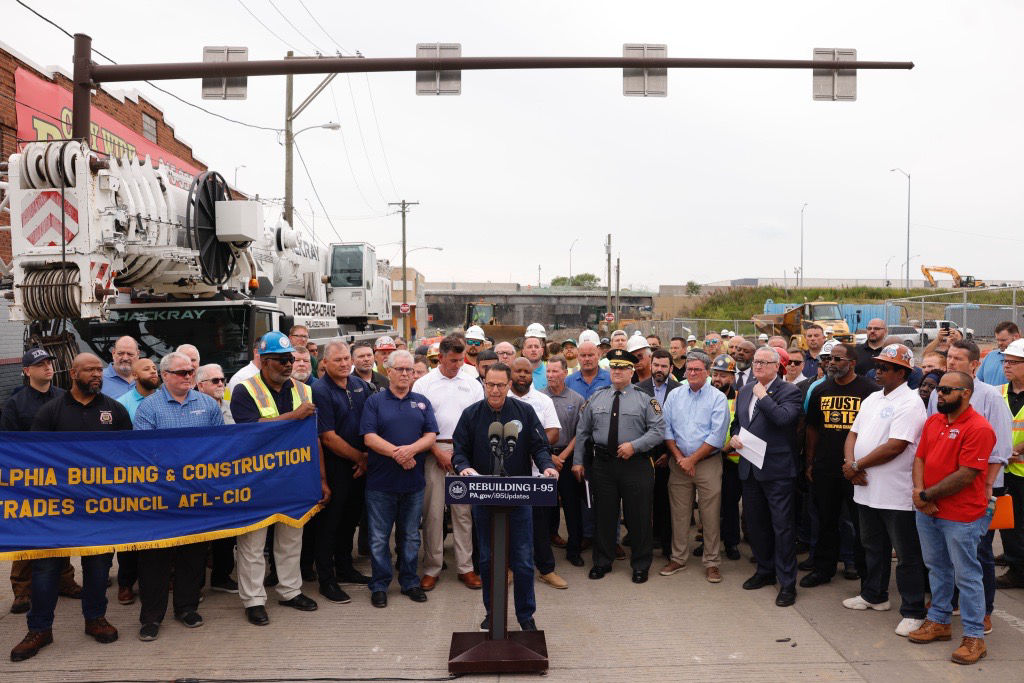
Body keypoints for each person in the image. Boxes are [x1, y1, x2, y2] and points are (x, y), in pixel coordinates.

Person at [9, 353, 132, 662]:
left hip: (100, 508)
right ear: (74, 373)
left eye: (98, 371)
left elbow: (131, 456)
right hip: (56, 509)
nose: (96, 375)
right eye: (89, 370)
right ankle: (40, 629)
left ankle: (95, 619)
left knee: (98, 568)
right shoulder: (52, 411)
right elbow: (32, 459)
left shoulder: (114, 411)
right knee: (46, 570)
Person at [230, 331, 327, 627]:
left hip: (293, 477)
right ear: (264, 360)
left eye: (290, 359)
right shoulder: (244, 390)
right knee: (253, 543)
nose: (288, 365)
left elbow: (314, 437)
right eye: (281, 360)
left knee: (290, 539)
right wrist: (292, 417)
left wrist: (321, 478)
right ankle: (254, 599)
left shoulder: (303, 390)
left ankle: (289, 590)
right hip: (256, 478)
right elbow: (249, 432)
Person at [453, 363, 557, 631]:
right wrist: (464, 467)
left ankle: (525, 617)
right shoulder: (471, 415)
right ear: (484, 384)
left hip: (519, 497)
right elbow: (459, 451)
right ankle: (493, 613)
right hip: (483, 498)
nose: (495, 390)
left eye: (501, 384)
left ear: (509, 385)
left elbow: (539, 446)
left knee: (522, 560)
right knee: (487, 560)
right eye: (490, 384)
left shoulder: (525, 411)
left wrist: (546, 466)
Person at [132, 352, 224, 642]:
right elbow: (146, 454)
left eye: (191, 372)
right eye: (181, 372)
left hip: (197, 496)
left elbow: (219, 447)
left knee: (193, 556)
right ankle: (151, 617)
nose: (188, 376)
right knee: (154, 561)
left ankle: (186, 607)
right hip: (161, 498)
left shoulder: (209, 405)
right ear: (165, 375)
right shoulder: (148, 408)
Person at [909, 371, 996, 665]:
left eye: (946, 390)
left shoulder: (979, 428)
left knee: (967, 576)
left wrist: (926, 496)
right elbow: (919, 457)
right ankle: (940, 621)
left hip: (962, 515)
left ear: (966, 393)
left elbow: (966, 474)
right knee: (937, 568)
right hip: (928, 509)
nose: (940, 394)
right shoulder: (934, 420)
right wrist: (920, 493)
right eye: (938, 390)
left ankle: (974, 637)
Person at [842, 343, 928, 635]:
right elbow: (853, 433)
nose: (877, 371)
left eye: (885, 367)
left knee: (906, 554)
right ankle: (874, 595)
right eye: (877, 366)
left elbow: (896, 445)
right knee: (872, 546)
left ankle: (914, 610)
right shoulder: (872, 399)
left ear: (902, 372)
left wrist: (856, 466)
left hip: (895, 493)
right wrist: (850, 463)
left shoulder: (911, 402)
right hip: (866, 488)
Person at [926, 340, 1012, 624]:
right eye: (949, 357)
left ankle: (984, 611)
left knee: (979, 552)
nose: (951, 362)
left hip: (981, 486)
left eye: (959, 358)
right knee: (944, 555)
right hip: (942, 487)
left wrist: (986, 487)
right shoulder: (938, 396)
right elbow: (931, 438)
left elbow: (1000, 449)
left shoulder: (989, 397)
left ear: (974, 364)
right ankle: (948, 605)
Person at [573, 349, 665, 583]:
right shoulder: (597, 397)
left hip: (635, 463)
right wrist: (578, 462)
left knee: (639, 516)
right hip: (603, 464)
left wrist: (635, 446)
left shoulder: (646, 400)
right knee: (604, 515)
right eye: (613, 367)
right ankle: (602, 562)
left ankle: (641, 565)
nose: (617, 371)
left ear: (631, 371)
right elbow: (583, 432)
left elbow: (658, 431)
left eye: (623, 367)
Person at [2, 349, 79, 617]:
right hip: (28, 480)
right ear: (27, 371)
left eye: (49, 363)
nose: (47, 367)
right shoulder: (16, 404)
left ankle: (65, 580)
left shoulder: (64, 398)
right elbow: (8, 444)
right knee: (26, 534)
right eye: (40, 364)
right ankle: (23, 590)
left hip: (60, 479)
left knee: (61, 530)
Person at [360, 350, 438, 608]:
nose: (406, 374)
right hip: (381, 484)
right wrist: (398, 454)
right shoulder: (375, 402)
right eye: (400, 369)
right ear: (388, 371)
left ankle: (409, 582)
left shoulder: (423, 401)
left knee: (410, 536)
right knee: (379, 537)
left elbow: (430, 436)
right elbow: (369, 438)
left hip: (413, 483)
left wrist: (411, 450)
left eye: (410, 370)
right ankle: (380, 584)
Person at [729, 346, 803, 607]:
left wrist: (764, 397)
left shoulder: (790, 391)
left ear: (776, 367)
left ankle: (787, 583)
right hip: (749, 465)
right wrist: (735, 435)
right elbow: (738, 422)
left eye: (763, 362)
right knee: (756, 524)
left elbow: (784, 420)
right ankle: (764, 570)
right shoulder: (746, 389)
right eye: (755, 362)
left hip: (777, 470)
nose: (757, 366)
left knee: (782, 527)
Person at [800, 343, 877, 589]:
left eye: (837, 359)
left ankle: (864, 574)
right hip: (825, 468)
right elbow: (812, 428)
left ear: (852, 363)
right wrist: (809, 461)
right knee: (825, 521)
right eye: (829, 358)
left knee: (860, 524)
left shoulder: (869, 391)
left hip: (857, 468)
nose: (831, 362)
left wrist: (863, 464)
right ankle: (824, 569)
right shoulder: (820, 390)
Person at [413, 336, 485, 592]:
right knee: (432, 513)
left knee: (463, 513)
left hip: (463, 452)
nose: (458, 364)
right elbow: (418, 424)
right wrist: (436, 450)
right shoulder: (423, 384)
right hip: (433, 451)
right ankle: (432, 567)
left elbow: (479, 421)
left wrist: (462, 455)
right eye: (453, 360)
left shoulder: (472, 382)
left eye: (461, 359)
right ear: (440, 357)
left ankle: (465, 567)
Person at [659, 351, 729, 583]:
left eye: (697, 370)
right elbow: (666, 430)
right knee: (678, 514)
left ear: (707, 372)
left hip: (707, 464)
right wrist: (680, 458)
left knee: (709, 515)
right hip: (679, 463)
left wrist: (692, 460)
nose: (692, 373)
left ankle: (712, 562)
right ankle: (678, 557)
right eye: (689, 369)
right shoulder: (675, 395)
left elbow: (717, 436)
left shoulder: (717, 398)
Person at [311, 339, 372, 605]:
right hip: (335, 466)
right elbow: (327, 437)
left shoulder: (360, 386)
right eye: (338, 360)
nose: (345, 364)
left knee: (350, 521)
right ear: (325, 363)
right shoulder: (319, 390)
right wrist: (360, 458)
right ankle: (327, 579)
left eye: (347, 358)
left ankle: (346, 568)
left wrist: (365, 459)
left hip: (361, 467)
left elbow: (371, 424)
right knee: (330, 525)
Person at [508, 357, 564, 589]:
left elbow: (552, 432)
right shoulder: (501, 399)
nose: (522, 375)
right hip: (509, 474)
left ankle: (546, 569)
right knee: (509, 524)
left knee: (540, 524)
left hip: (538, 473)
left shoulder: (542, 400)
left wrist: (533, 448)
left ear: (532, 375)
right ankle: (509, 568)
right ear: (510, 373)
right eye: (518, 371)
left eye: (526, 372)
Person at [195, 363, 238, 595]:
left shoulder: (234, 407)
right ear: (200, 386)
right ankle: (196, 584)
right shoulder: (193, 409)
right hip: (200, 483)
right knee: (201, 538)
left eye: (223, 379)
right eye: (215, 381)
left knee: (227, 535)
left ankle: (222, 577)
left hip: (228, 482)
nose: (221, 383)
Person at [543, 355, 587, 567]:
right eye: (548, 372)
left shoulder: (576, 399)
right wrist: (549, 456)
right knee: (544, 507)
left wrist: (563, 456)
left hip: (567, 458)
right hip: (543, 458)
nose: (551, 375)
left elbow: (581, 432)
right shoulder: (539, 398)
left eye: (555, 371)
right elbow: (535, 432)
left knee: (571, 506)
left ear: (564, 373)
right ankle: (543, 551)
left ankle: (574, 549)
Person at [638, 349, 681, 557]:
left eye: (664, 366)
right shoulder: (639, 389)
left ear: (671, 369)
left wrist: (669, 454)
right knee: (644, 501)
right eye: (656, 365)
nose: (659, 370)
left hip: (668, 454)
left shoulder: (679, 390)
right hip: (645, 454)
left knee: (665, 501)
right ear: (651, 365)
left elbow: (680, 424)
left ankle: (666, 545)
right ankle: (646, 542)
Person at [996, 339, 1024, 588]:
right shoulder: (999, 392)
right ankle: (1016, 566)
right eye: (1006, 361)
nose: (1007, 366)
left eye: (1014, 362)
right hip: (1005, 470)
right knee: (1009, 522)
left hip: (1021, 469)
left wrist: (1016, 449)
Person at [710, 355, 742, 560]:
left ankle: (731, 543)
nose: (717, 379)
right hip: (710, 457)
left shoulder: (740, 397)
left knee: (730, 504)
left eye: (722, 375)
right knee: (710, 504)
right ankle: (709, 541)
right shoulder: (706, 396)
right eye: (715, 374)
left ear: (732, 377)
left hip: (732, 460)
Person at [979, 322, 1020, 386]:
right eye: (997, 340)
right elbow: (978, 381)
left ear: (1016, 337)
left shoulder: (1021, 359)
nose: (999, 343)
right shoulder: (990, 356)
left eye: (1003, 340)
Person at [523, 323, 548, 390]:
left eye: (536, 346)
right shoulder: (515, 372)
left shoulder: (549, 373)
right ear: (523, 351)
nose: (533, 350)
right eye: (530, 346)